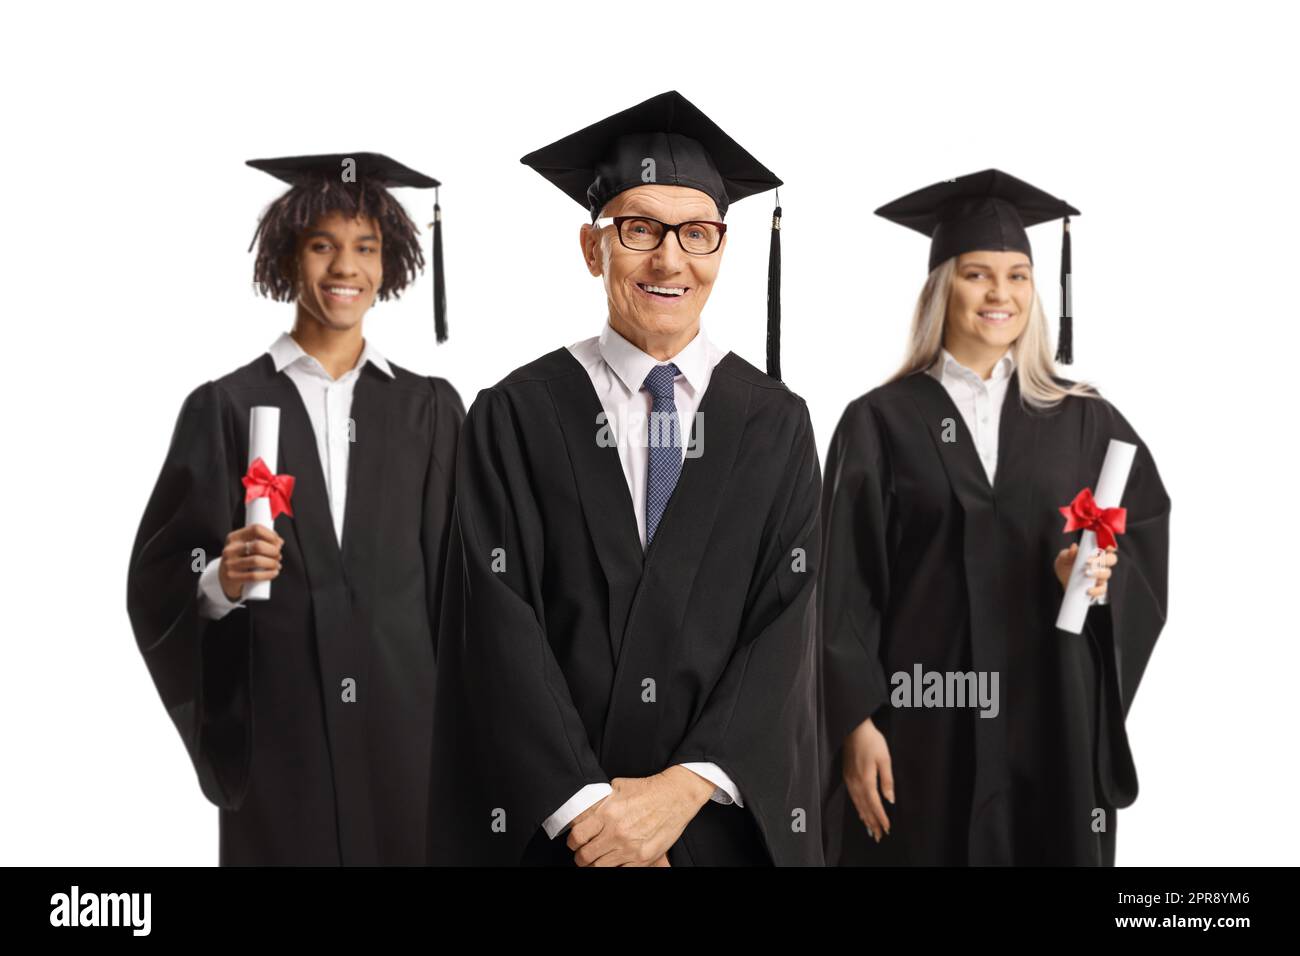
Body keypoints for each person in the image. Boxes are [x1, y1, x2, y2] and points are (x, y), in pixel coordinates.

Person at [428, 91, 822, 866]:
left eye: (698, 233)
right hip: (563, 839)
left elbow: (788, 629)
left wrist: (680, 793)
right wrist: (594, 817)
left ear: (721, 248)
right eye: (638, 229)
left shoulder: (777, 423)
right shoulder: (515, 414)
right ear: (591, 246)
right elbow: (494, 629)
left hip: (715, 831)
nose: (670, 259)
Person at [820, 169, 1170, 866]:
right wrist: (854, 723)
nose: (999, 294)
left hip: (1052, 722)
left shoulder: (1085, 419)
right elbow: (841, 587)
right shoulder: (879, 422)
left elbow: (1142, 543)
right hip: (922, 726)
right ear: (942, 286)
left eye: (1016, 275)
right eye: (977, 274)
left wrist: (1095, 579)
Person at [126, 152, 463, 864]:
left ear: (390, 261)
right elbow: (158, 581)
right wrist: (220, 579)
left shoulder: (429, 410)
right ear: (287, 257)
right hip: (281, 738)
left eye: (365, 247)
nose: (346, 268)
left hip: (408, 740)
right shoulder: (225, 406)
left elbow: (465, 589)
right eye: (323, 246)